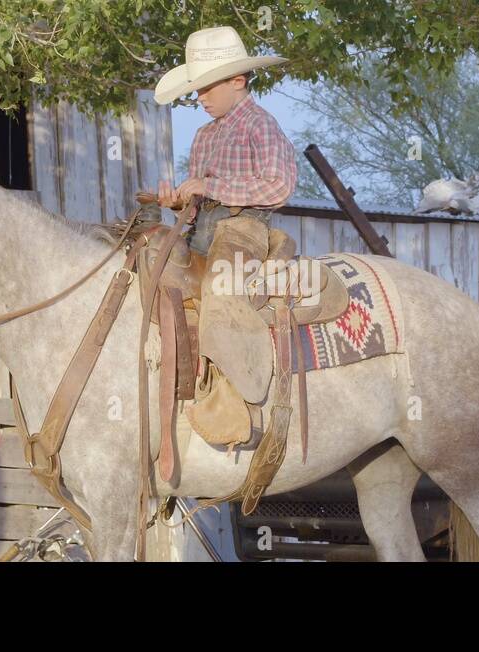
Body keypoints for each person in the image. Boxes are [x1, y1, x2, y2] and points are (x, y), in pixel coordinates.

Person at [153, 25, 298, 441]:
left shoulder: (260, 125)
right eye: (195, 90)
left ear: (238, 80)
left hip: (244, 229)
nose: (199, 97)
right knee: (152, 270)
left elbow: (279, 186)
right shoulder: (203, 135)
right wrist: (181, 201)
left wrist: (210, 187)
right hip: (201, 229)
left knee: (221, 290)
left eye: (206, 88)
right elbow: (199, 196)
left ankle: (241, 404)